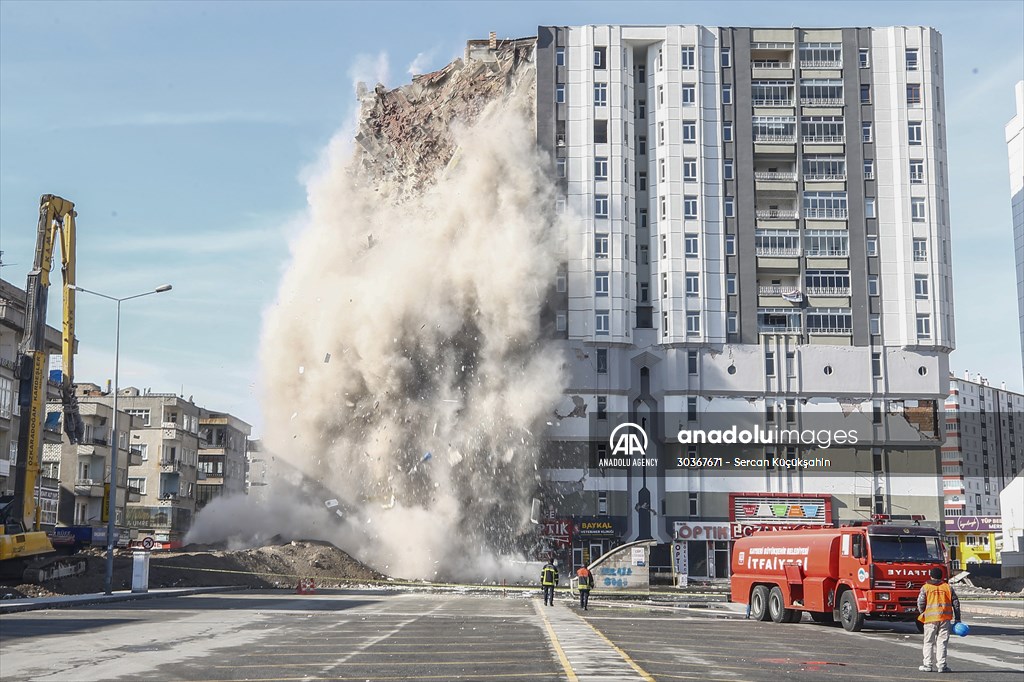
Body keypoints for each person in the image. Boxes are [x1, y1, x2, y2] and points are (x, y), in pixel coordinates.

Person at [917, 567, 962, 673]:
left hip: (930, 619)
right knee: (942, 642)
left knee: (928, 642)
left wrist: (922, 613)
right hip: (945, 619)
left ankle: (927, 664)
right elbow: (956, 603)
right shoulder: (947, 587)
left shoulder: (926, 587)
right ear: (941, 576)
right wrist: (958, 619)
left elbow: (920, 603)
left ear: (931, 576)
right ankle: (942, 665)